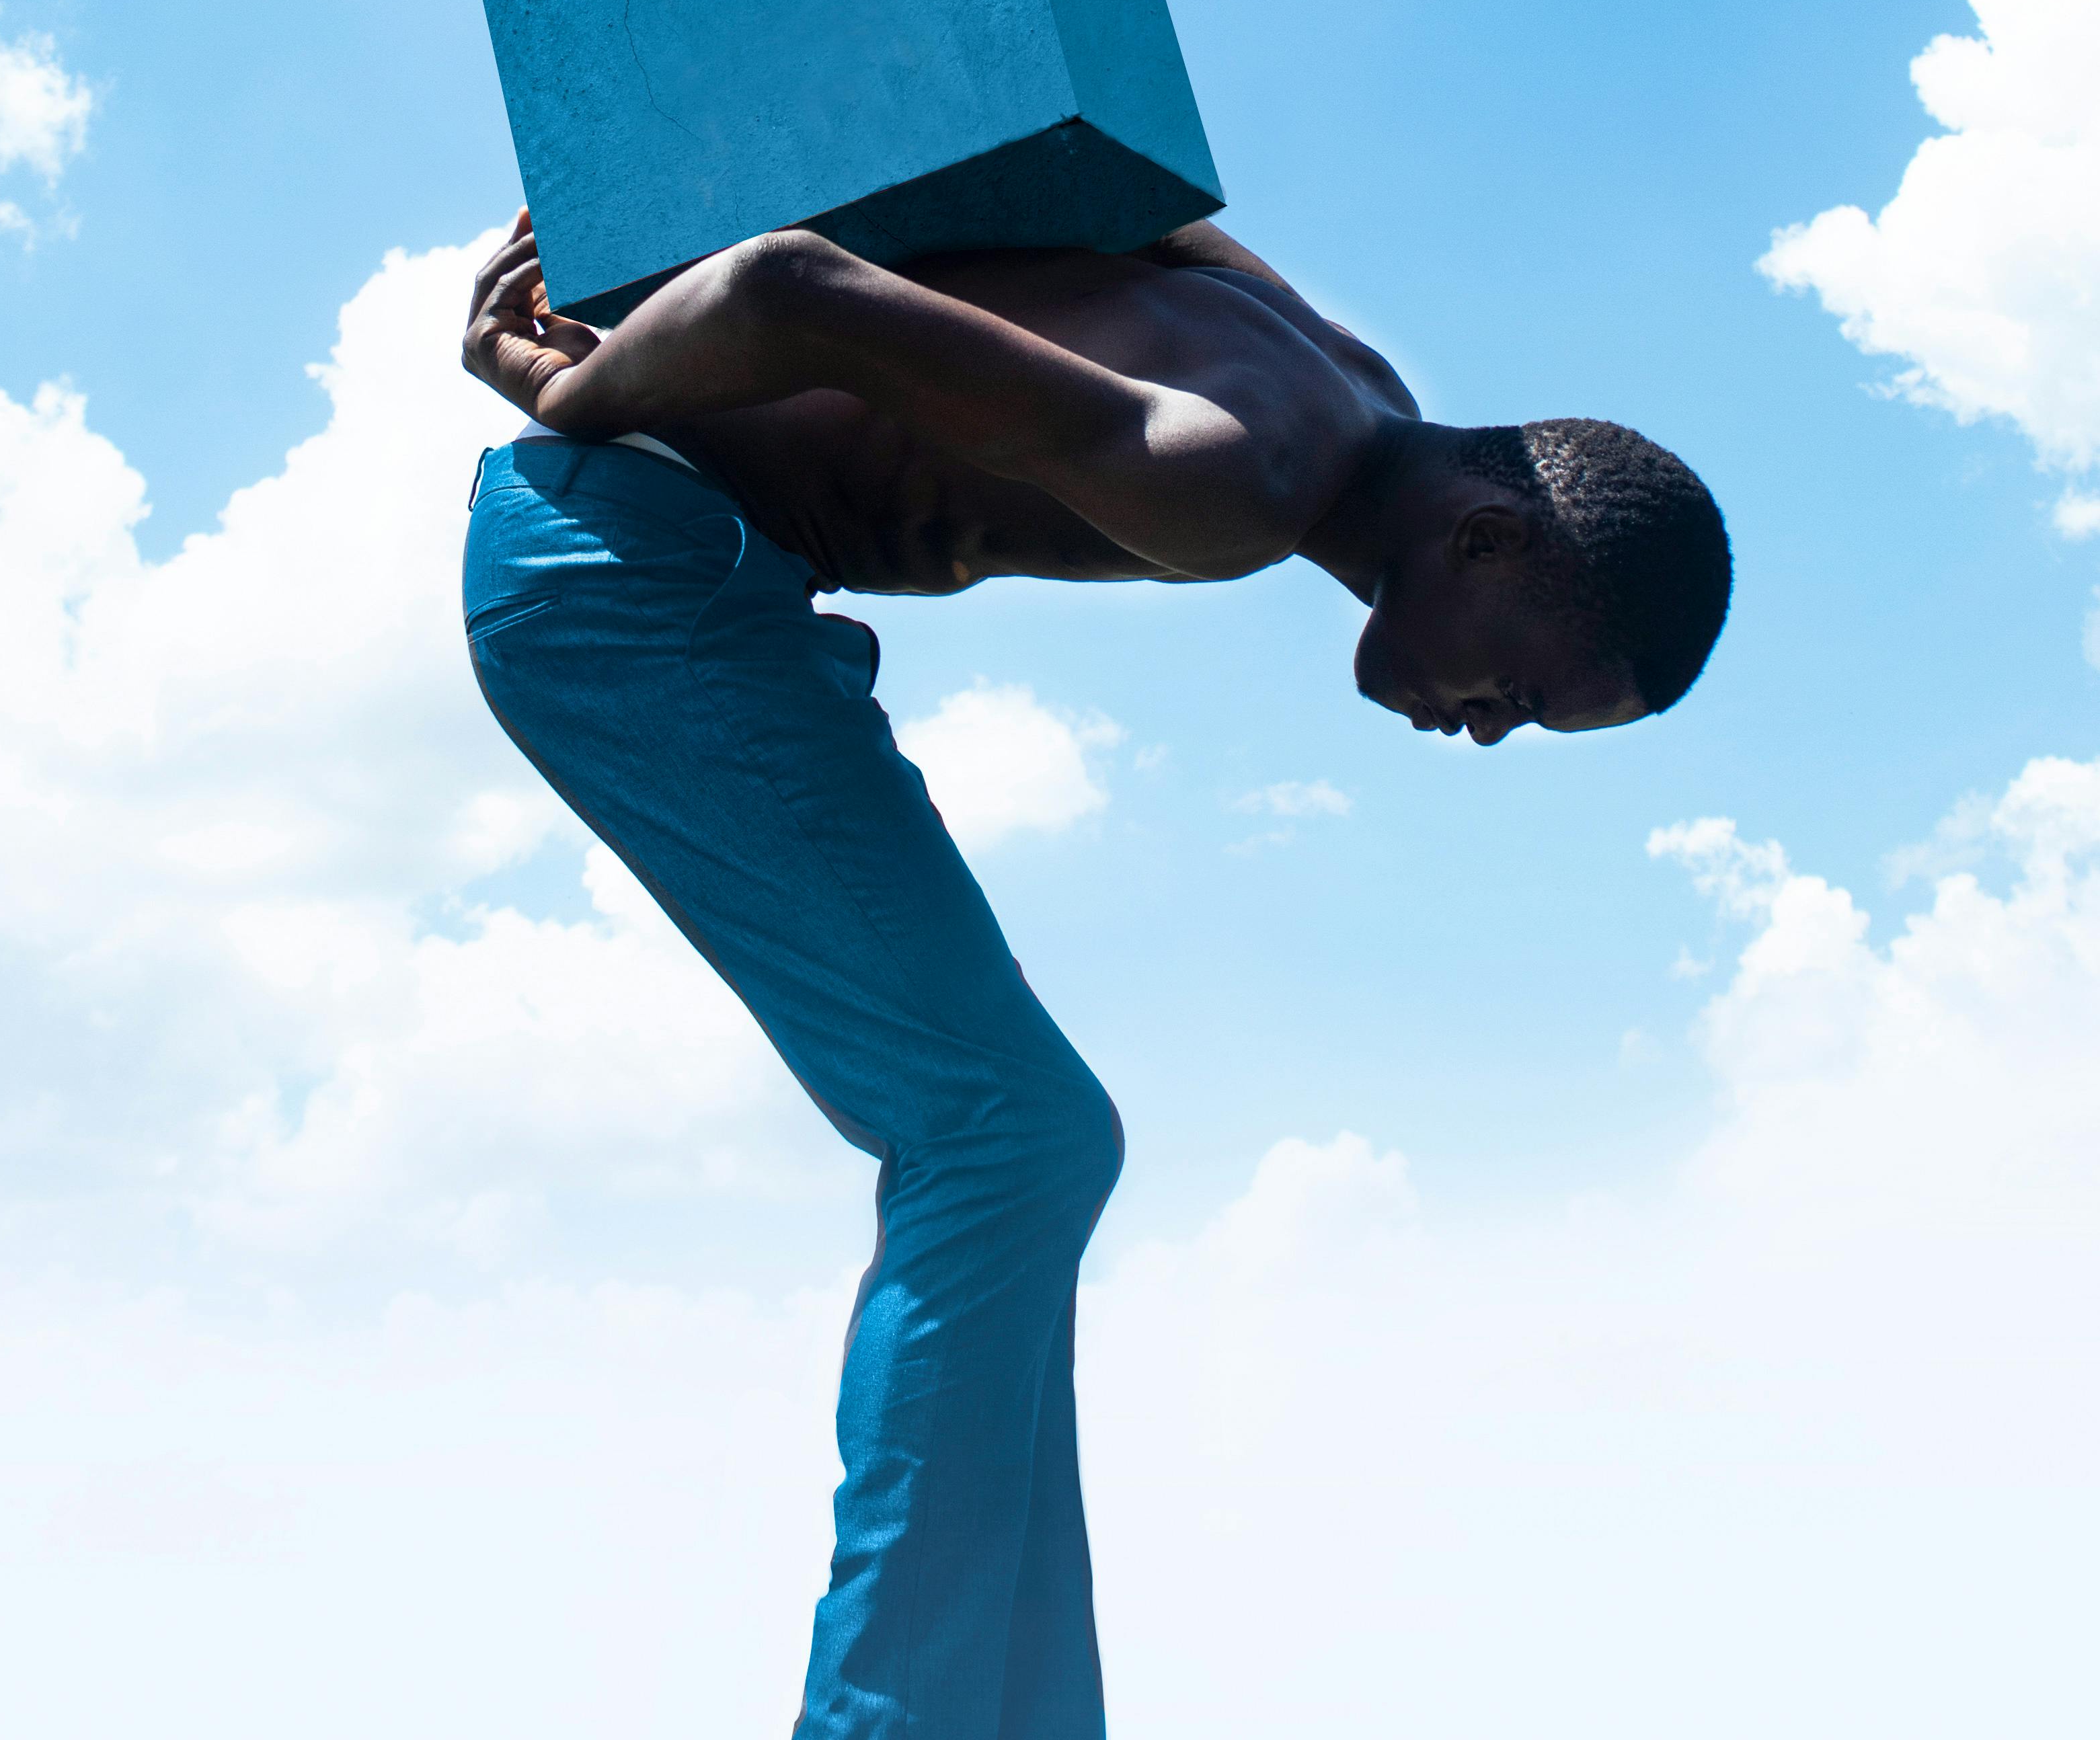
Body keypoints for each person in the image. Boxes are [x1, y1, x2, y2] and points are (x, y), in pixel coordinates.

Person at [459, 211, 1731, 1740]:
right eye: (1521, 691)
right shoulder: (1240, 481)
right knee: (1008, 1139)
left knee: (1033, 1143)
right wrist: (559, 392)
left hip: (696, 573)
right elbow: (785, 287)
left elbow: (1169, 215)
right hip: (628, 576)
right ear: (1487, 536)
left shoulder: (1353, 382)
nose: (1488, 729)